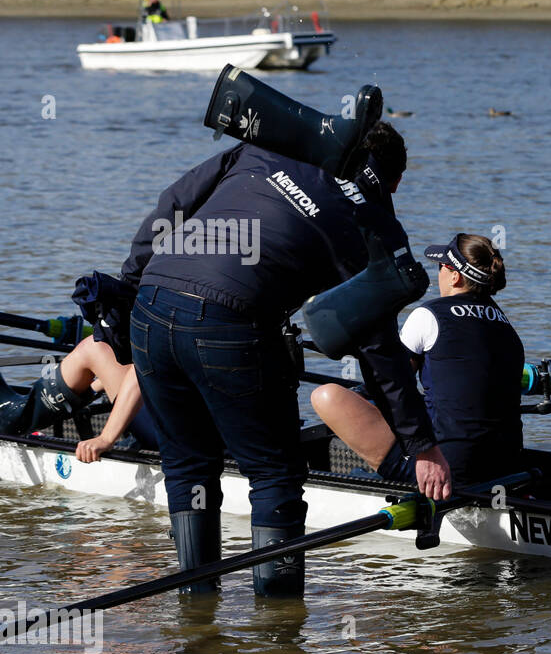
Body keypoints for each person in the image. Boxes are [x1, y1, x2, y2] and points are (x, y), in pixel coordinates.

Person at [121, 121, 450, 596]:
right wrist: (422, 447)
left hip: (150, 306)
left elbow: (172, 203)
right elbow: (378, 352)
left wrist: (128, 286)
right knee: (275, 472)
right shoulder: (363, 223)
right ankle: (278, 629)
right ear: (393, 182)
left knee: (189, 466)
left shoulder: (268, 145)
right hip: (230, 325)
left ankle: (197, 604)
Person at [310, 232, 524, 488]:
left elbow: (390, 385)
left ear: (455, 276)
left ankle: (389, 479)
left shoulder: (429, 315)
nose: (438, 275)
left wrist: (360, 394)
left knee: (327, 396)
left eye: (441, 267)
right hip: (507, 468)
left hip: (447, 468)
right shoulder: (508, 329)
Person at [0, 336, 158, 460]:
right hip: (171, 422)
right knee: (106, 344)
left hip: (169, 437)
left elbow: (138, 372)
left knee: (93, 347)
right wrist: (90, 390)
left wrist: (106, 438)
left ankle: (11, 417)